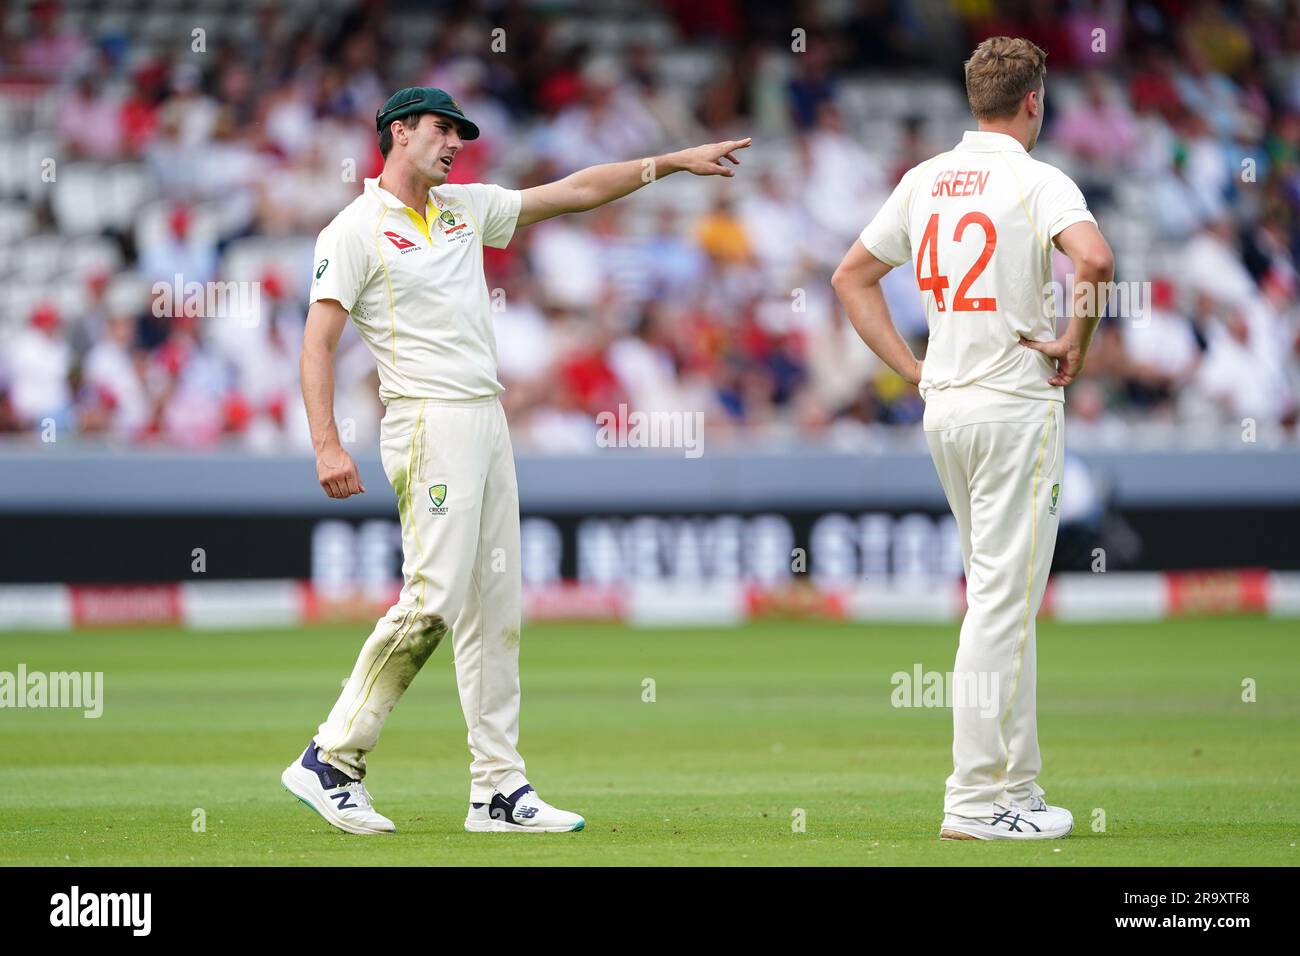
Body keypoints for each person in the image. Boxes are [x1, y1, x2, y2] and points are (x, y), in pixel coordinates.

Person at [281, 86, 750, 835]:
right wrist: (327, 442)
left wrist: (671, 163)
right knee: (432, 598)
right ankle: (330, 756)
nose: (455, 143)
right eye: (441, 130)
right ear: (399, 133)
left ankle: (497, 789)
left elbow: (574, 191)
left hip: (486, 418)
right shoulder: (356, 229)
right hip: (428, 420)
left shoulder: (463, 210)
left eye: (460, 134)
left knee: (495, 612)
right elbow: (317, 343)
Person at [831, 39, 1114, 840]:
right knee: (999, 604)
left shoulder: (923, 180)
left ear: (974, 98)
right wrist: (1075, 343)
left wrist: (911, 367)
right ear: (1035, 100)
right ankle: (974, 800)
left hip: (946, 407)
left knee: (1003, 600)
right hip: (1013, 405)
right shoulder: (1037, 178)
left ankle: (1018, 790)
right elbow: (1093, 258)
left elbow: (850, 276)